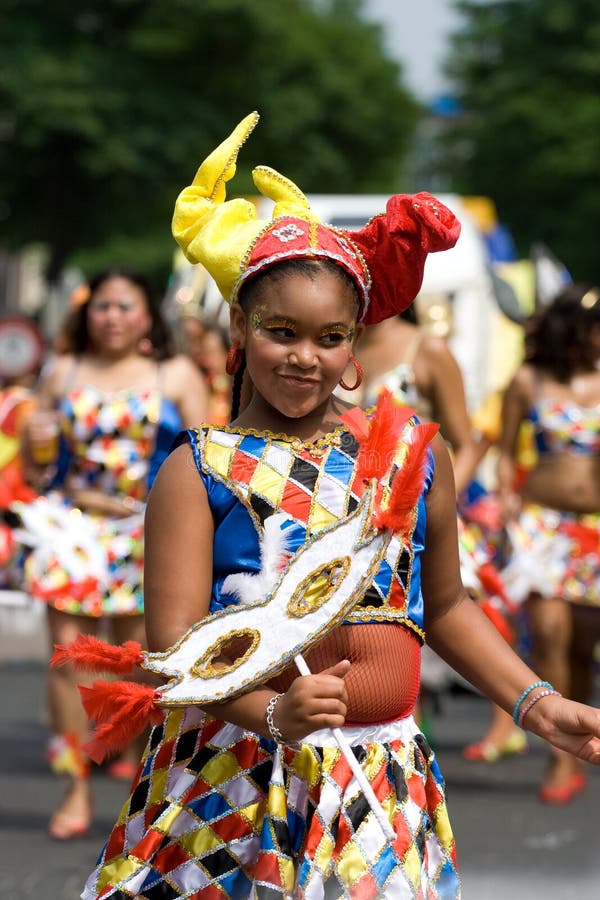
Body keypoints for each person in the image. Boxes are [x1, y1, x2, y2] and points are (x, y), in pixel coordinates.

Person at [60, 115, 600, 899]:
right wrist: (272, 713)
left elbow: (444, 605)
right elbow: (172, 650)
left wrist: (535, 703)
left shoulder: (414, 451)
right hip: (232, 777)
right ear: (240, 326)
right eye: (281, 331)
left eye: (330, 337)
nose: (304, 356)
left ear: (356, 346)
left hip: (383, 777)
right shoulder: (198, 466)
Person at [18, 267, 209, 840]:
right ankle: (74, 784)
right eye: (103, 306)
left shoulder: (174, 373)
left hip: (150, 529)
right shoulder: (62, 372)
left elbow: (207, 462)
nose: (113, 317)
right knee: (70, 660)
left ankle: (142, 786)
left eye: (126, 306)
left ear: (148, 315)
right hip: (74, 529)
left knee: (141, 660)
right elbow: (35, 469)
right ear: (86, 313)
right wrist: (31, 447)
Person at [354, 308, 524, 759]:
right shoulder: (330, 346)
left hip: (425, 509)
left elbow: (465, 442)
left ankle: (507, 719)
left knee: (460, 600)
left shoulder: (426, 348)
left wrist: (435, 505)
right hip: (348, 516)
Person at [495, 283, 600, 803]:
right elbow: (502, 450)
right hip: (541, 525)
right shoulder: (527, 380)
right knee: (549, 631)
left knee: (583, 642)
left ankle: (581, 731)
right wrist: (503, 497)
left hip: (595, 531)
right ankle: (559, 761)